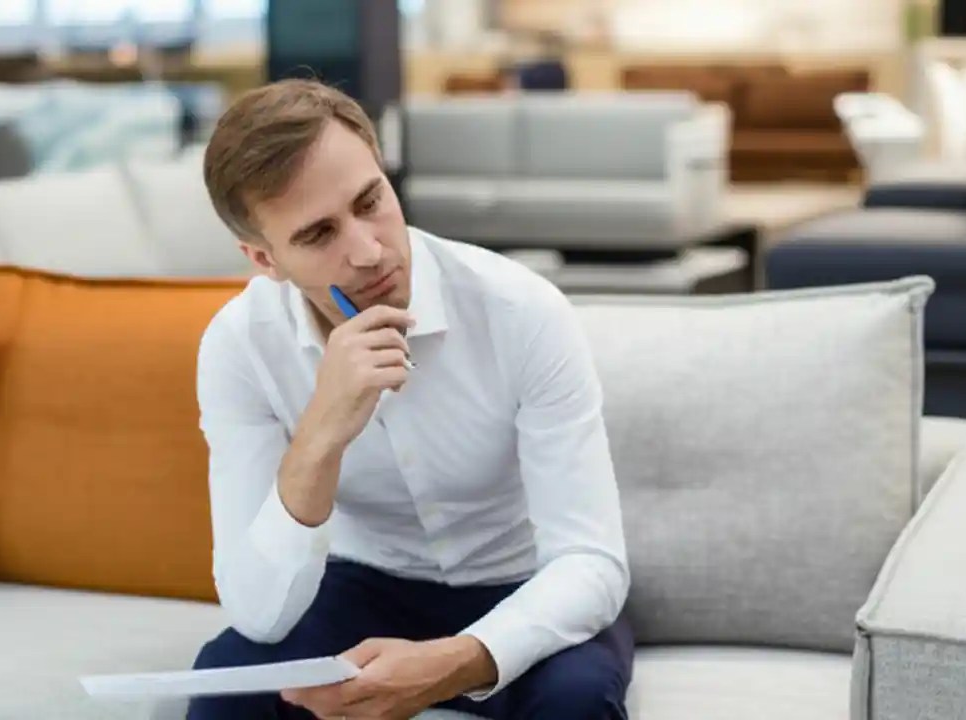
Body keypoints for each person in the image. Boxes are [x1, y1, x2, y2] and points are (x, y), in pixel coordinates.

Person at [189, 79, 634, 720]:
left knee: (576, 703)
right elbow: (259, 615)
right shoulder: (240, 347)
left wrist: (455, 660)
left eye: (371, 201)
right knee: (224, 684)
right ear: (265, 258)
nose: (369, 251)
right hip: (364, 582)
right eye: (318, 235)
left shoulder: (520, 311)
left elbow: (590, 561)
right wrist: (321, 434)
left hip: (524, 582)